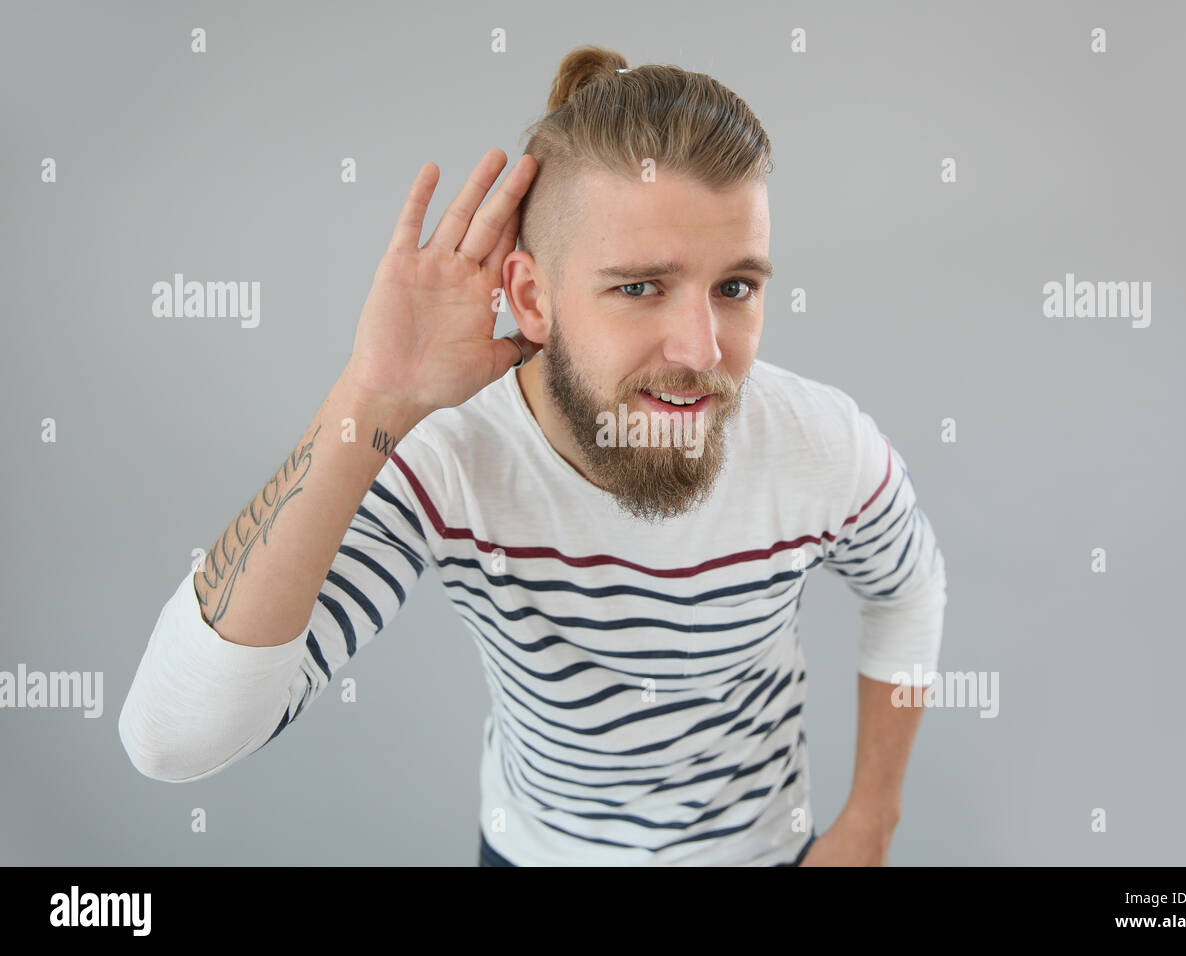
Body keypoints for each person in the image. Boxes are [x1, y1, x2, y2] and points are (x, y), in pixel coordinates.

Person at [118, 45, 948, 867]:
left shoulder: (821, 443)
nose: (701, 350)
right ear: (530, 297)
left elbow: (909, 587)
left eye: (735, 287)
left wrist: (870, 825)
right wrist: (367, 399)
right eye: (639, 287)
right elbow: (171, 740)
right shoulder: (448, 456)